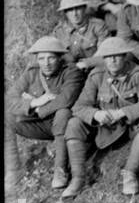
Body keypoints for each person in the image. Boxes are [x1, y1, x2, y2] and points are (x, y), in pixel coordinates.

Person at [67, 36, 139, 199]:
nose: (113, 60)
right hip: (105, 129)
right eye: (108, 56)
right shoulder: (96, 75)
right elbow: (78, 107)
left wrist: (123, 113)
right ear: (103, 58)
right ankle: (78, 179)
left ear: (125, 56)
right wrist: (96, 114)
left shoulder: (138, 73)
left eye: (117, 55)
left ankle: (130, 173)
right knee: (74, 124)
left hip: (130, 127)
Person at [4, 37, 85, 193]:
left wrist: (40, 110)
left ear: (59, 58)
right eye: (41, 58)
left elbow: (66, 99)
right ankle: (14, 170)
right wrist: (34, 103)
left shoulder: (71, 71)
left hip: (65, 126)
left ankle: (60, 169)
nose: (46, 63)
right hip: (43, 126)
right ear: (37, 59)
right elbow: (9, 99)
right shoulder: (32, 73)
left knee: (63, 113)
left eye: (51, 58)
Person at [54, 0, 110, 71]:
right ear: (65, 13)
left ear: (84, 8)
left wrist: (86, 63)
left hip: (95, 69)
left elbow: (105, 53)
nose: (75, 14)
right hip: (70, 72)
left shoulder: (98, 26)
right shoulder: (59, 31)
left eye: (78, 8)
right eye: (70, 10)